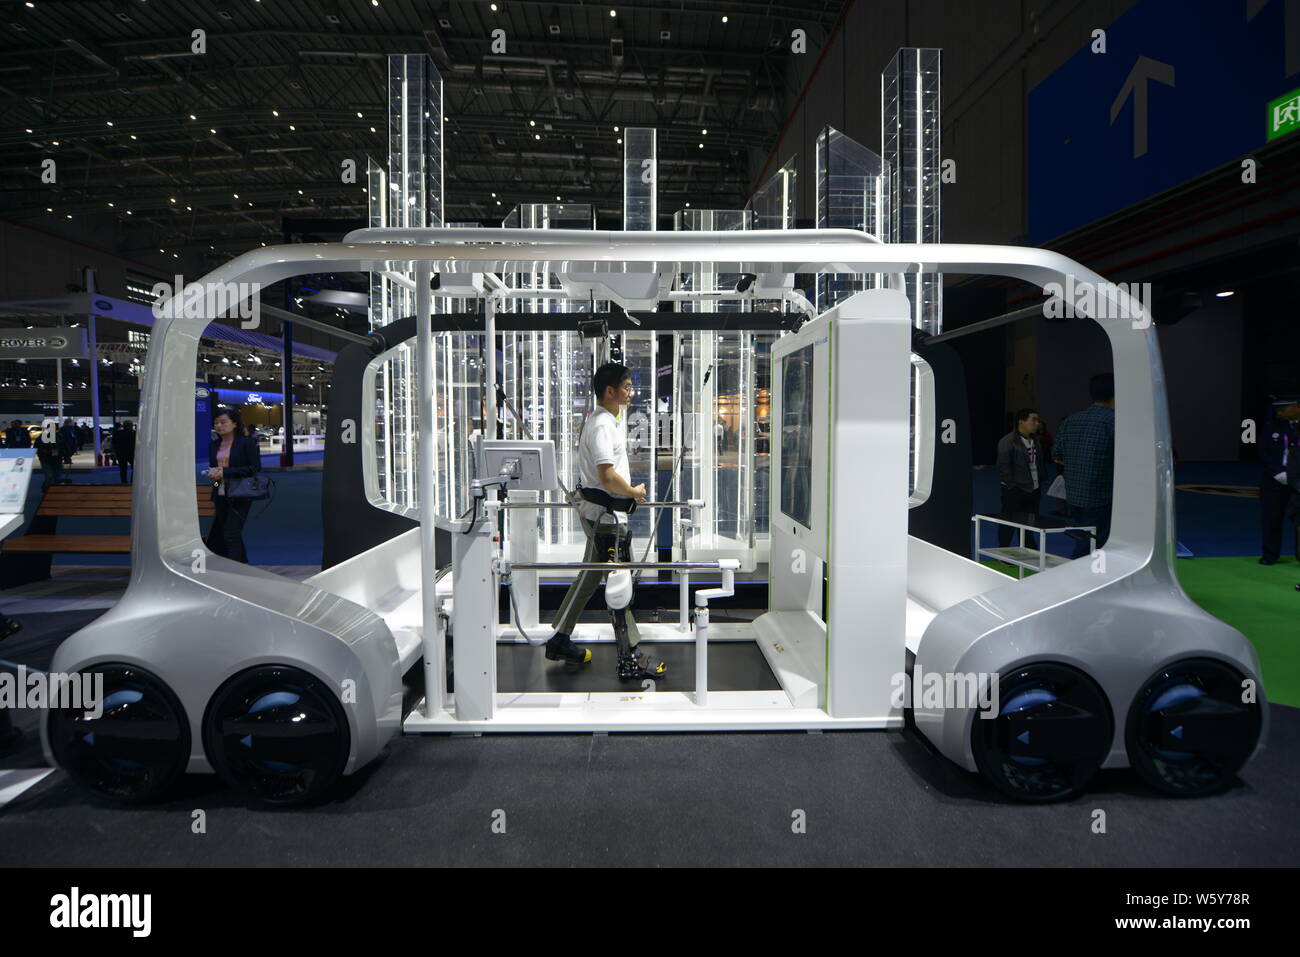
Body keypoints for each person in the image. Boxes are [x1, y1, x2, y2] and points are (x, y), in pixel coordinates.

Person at [546, 362, 667, 682]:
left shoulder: (606, 421)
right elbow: (606, 475)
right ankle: (631, 655)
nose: (630, 392)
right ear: (609, 391)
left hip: (602, 515)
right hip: (607, 519)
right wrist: (633, 491)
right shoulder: (601, 425)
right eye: (626, 387)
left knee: (590, 578)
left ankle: (559, 638)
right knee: (619, 584)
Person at [1054, 373, 1115, 559]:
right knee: (1097, 544)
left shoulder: (1071, 420)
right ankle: (1090, 581)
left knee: (1082, 537)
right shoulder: (1113, 421)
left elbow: (1056, 455)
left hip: (1074, 494)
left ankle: (1081, 575)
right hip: (1101, 495)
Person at [204, 408, 261, 564]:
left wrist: (225, 472)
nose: (219, 426)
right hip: (220, 492)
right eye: (216, 423)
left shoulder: (246, 443)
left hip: (241, 493)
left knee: (231, 533)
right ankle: (242, 565)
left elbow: (254, 468)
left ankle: (238, 569)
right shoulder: (214, 445)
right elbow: (216, 472)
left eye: (223, 422)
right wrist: (215, 479)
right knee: (228, 533)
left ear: (234, 423)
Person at [1259, 396, 1300, 565]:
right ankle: (1270, 555)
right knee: (1271, 518)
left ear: (1298, 406)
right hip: (1275, 480)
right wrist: (1277, 472)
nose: (1279, 412)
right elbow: (1263, 451)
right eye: (1277, 408)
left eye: (1284, 408)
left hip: (1298, 481)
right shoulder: (1271, 426)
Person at [995, 408, 1045, 547]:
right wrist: (1012, 486)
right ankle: (1003, 552)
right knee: (1008, 523)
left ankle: (1029, 550)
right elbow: (1003, 467)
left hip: (1033, 489)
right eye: (1033, 420)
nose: (1037, 423)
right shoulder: (1007, 441)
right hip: (1015, 490)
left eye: (1037, 420)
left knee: (1029, 522)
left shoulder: (1036, 441)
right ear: (1021, 422)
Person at [112, 421, 136, 485]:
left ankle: (124, 482)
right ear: (131, 426)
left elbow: (114, 444)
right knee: (135, 468)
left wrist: (115, 453)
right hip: (131, 454)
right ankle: (132, 481)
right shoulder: (134, 434)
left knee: (123, 469)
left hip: (121, 454)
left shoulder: (117, 433)